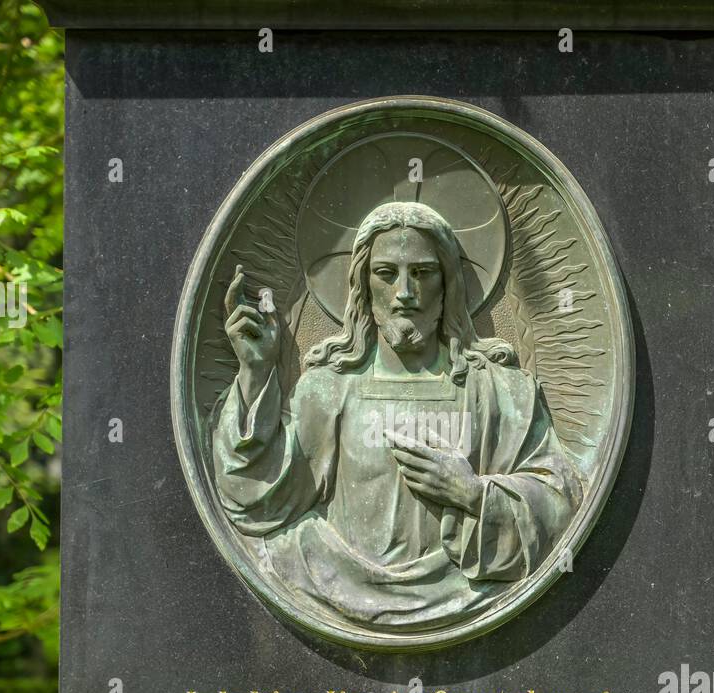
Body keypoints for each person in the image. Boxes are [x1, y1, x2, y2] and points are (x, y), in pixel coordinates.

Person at [211, 201, 581, 631]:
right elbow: (258, 499)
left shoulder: (498, 391)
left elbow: (559, 502)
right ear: (364, 288)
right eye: (386, 274)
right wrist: (256, 374)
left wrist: (473, 495)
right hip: (334, 582)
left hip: (462, 593)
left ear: (447, 286)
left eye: (422, 273)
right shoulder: (327, 390)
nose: (405, 292)